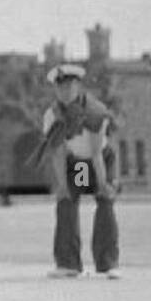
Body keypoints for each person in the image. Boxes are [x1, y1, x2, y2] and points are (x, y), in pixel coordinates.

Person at [38, 64, 120, 279]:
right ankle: (68, 264)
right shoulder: (53, 115)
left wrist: (103, 184)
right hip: (80, 165)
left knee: (105, 201)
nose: (65, 92)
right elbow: (57, 153)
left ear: (78, 87)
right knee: (66, 202)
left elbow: (95, 152)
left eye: (69, 86)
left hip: (100, 160)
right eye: (60, 87)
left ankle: (107, 264)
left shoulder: (95, 111)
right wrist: (63, 186)